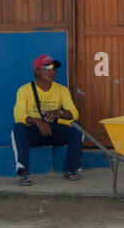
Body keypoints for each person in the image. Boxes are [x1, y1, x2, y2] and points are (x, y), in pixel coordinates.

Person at [11, 54, 83, 185]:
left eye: (54, 69)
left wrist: (58, 112)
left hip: (54, 132)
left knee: (77, 127)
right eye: (47, 67)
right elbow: (19, 116)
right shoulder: (24, 90)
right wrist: (38, 122)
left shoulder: (62, 90)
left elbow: (74, 113)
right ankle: (24, 173)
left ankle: (71, 169)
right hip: (35, 133)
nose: (52, 71)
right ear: (36, 71)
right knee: (18, 128)